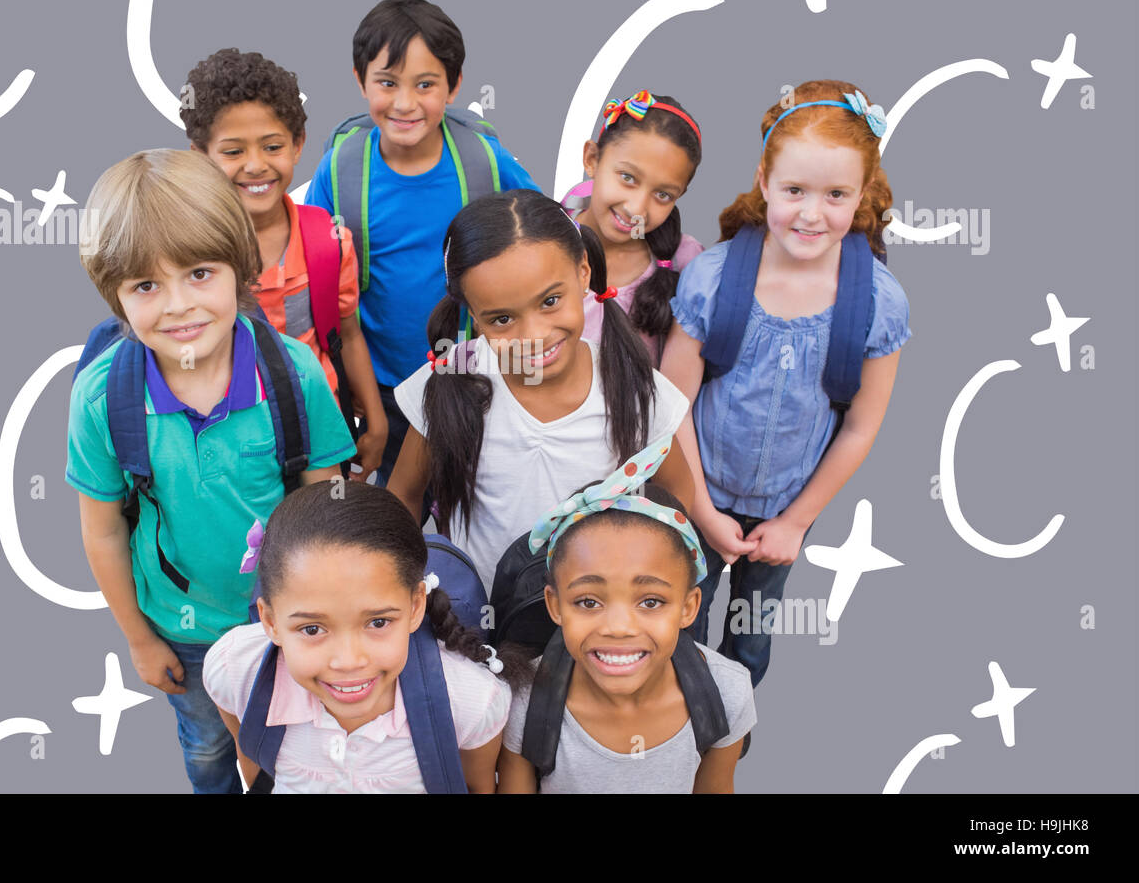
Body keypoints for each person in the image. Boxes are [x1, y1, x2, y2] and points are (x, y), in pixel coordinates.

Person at [67, 149, 355, 792]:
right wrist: (139, 639)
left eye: (199, 273)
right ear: (115, 295)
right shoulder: (99, 400)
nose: (177, 306)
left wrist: (329, 621)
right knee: (207, 751)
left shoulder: (294, 376)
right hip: (181, 628)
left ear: (239, 269)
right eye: (146, 286)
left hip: (290, 624)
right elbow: (104, 530)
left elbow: (330, 508)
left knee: (293, 754)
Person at [659, 80, 912, 686]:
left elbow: (860, 427)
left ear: (862, 194)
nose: (811, 212)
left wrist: (796, 522)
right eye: (794, 189)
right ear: (764, 180)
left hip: (792, 504)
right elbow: (670, 405)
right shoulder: (713, 279)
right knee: (674, 636)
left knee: (750, 642)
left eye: (835, 194)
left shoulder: (878, 303)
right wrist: (700, 510)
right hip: (696, 495)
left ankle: (726, 745)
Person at [387, 188, 694, 593]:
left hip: (589, 627)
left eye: (550, 301)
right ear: (473, 317)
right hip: (474, 627)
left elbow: (677, 492)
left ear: (583, 272)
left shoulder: (635, 388)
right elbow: (403, 497)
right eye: (501, 319)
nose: (532, 336)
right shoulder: (448, 382)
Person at [304, 0, 541, 485]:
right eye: (387, 83)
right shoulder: (342, 169)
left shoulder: (483, 161)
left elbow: (544, 232)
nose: (405, 103)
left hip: (472, 379)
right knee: (395, 514)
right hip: (381, 387)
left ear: (454, 86)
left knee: (476, 508)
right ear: (360, 81)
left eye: (426, 84)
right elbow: (320, 278)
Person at [203, 481, 515, 793]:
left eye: (378, 622)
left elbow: (475, 786)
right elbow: (253, 761)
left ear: (416, 604)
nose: (348, 661)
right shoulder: (236, 669)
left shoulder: (472, 702)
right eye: (312, 629)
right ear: (270, 621)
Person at [496, 438, 756, 793]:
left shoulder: (727, 693)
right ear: (555, 606)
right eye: (588, 602)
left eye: (650, 601)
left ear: (689, 607)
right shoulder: (523, 703)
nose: (618, 628)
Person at [182, 48, 388, 480]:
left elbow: (346, 335)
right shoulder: (185, 253)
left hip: (318, 439)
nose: (256, 165)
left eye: (272, 146)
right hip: (226, 449)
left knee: (317, 538)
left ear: (297, 146)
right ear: (201, 156)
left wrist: (375, 418)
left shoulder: (329, 241)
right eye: (233, 151)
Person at [562, 90, 706, 364]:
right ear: (592, 159)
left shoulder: (686, 263)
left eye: (663, 195)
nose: (637, 209)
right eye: (627, 177)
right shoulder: (538, 244)